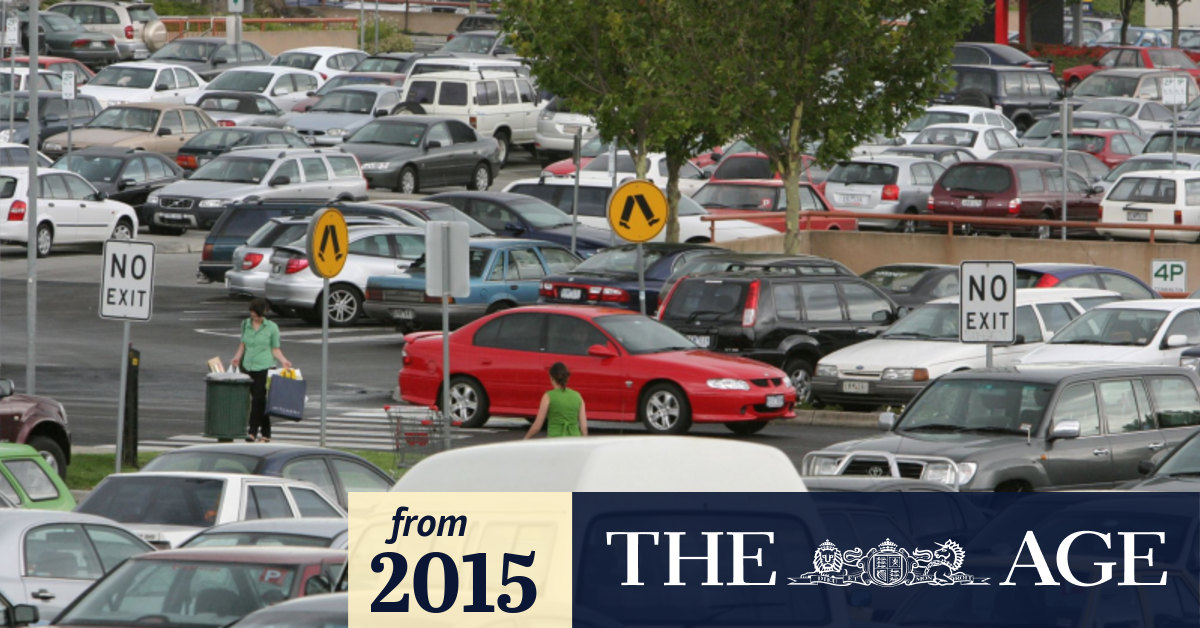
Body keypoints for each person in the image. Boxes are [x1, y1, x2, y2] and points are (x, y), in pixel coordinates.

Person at [231, 298, 291, 443]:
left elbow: (275, 348)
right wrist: (237, 357)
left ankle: (252, 432)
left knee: (257, 399)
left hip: (265, 366)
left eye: (257, 315)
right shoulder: (245, 324)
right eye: (252, 315)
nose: (254, 318)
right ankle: (266, 434)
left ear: (263, 313)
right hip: (248, 365)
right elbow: (243, 343)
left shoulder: (271, 327)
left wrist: (283, 360)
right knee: (259, 402)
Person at [523, 362, 588, 439]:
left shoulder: (548, 396)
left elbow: (537, 426)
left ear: (551, 378)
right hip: (574, 440)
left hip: (555, 439)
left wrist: (526, 438)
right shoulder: (577, 396)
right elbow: (583, 427)